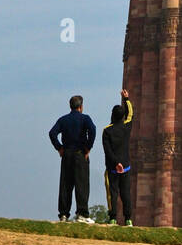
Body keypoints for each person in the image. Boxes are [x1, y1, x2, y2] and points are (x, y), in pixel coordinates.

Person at [49, 94, 96, 223]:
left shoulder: (63, 120)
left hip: (67, 154)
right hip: (80, 153)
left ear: (70, 106)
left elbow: (52, 133)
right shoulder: (85, 119)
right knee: (82, 184)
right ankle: (82, 214)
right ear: (81, 106)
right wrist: (88, 148)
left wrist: (59, 148)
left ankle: (63, 214)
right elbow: (93, 130)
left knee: (65, 184)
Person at [102, 88, 134, 226]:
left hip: (113, 168)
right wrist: (126, 99)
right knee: (126, 193)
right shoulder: (126, 127)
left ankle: (113, 218)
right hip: (125, 167)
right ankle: (128, 219)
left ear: (112, 115)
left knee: (113, 194)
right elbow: (131, 115)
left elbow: (107, 151)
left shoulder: (107, 130)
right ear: (122, 117)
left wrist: (116, 163)